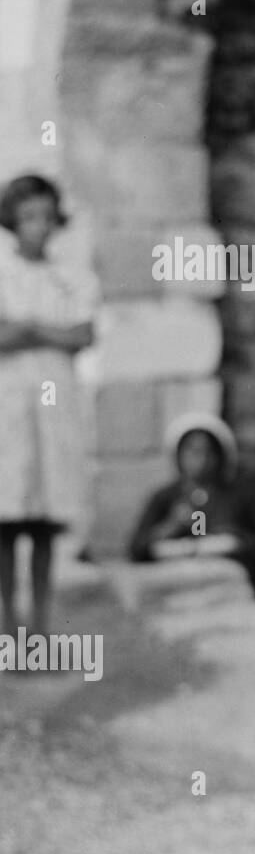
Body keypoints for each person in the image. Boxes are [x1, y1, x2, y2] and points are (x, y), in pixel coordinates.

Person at [0, 174, 98, 640]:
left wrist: (29, 329)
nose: (36, 227)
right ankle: (8, 622)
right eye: (26, 218)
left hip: (52, 405)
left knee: (43, 521)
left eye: (44, 217)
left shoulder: (69, 277)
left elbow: (82, 334)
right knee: (7, 516)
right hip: (8, 404)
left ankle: (39, 623)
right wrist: (44, 332)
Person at [128, 412, 255, 583]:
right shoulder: (164, 497)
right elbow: (136, 550)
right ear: (178, 454)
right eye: (193, 451)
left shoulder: (238, 496)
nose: (201, 459)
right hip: (174, 583)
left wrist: (234, 540)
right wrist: (169, 527)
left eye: (208, 452)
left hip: (224, 583)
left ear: (220, 457)